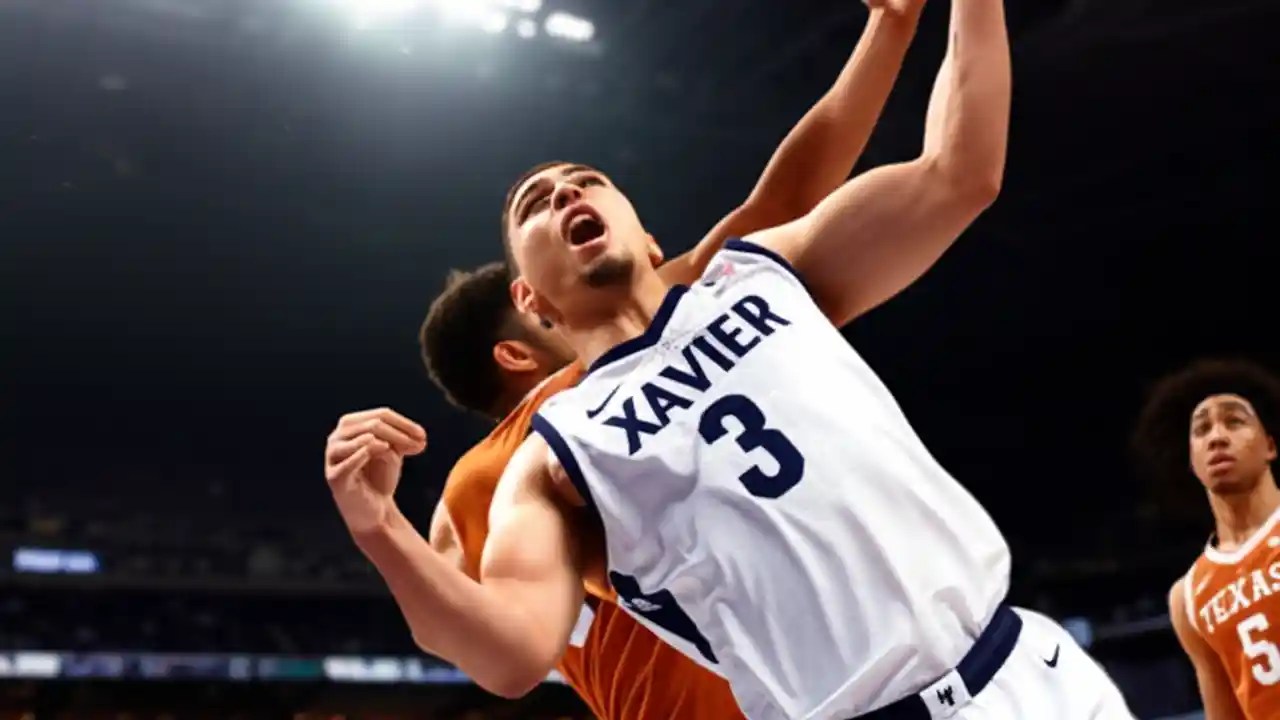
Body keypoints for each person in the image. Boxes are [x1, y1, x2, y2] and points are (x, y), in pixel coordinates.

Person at [323, 0, 1132, 716]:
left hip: (1037, 666)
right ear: (531, 305)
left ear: (649, 237)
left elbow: (956, 173)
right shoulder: (548, 456)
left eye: (586, 180)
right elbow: (508, 655)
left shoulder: (755, 272)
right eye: (537, 203)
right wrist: (376, 526)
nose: (567, 193)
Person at [409, 4, 925, 717]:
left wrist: (377, 529)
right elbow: (784, 198)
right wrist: (889, 32)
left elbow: (452, 638)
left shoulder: (461, 502)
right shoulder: (597, 387)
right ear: (524, 335)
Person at [1137, 359, 1280, 719]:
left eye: (1235, 421)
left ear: (1269, 446)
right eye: (1202, 430)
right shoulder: (1188, 597)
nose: (1217, 437)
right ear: (1192, 460)